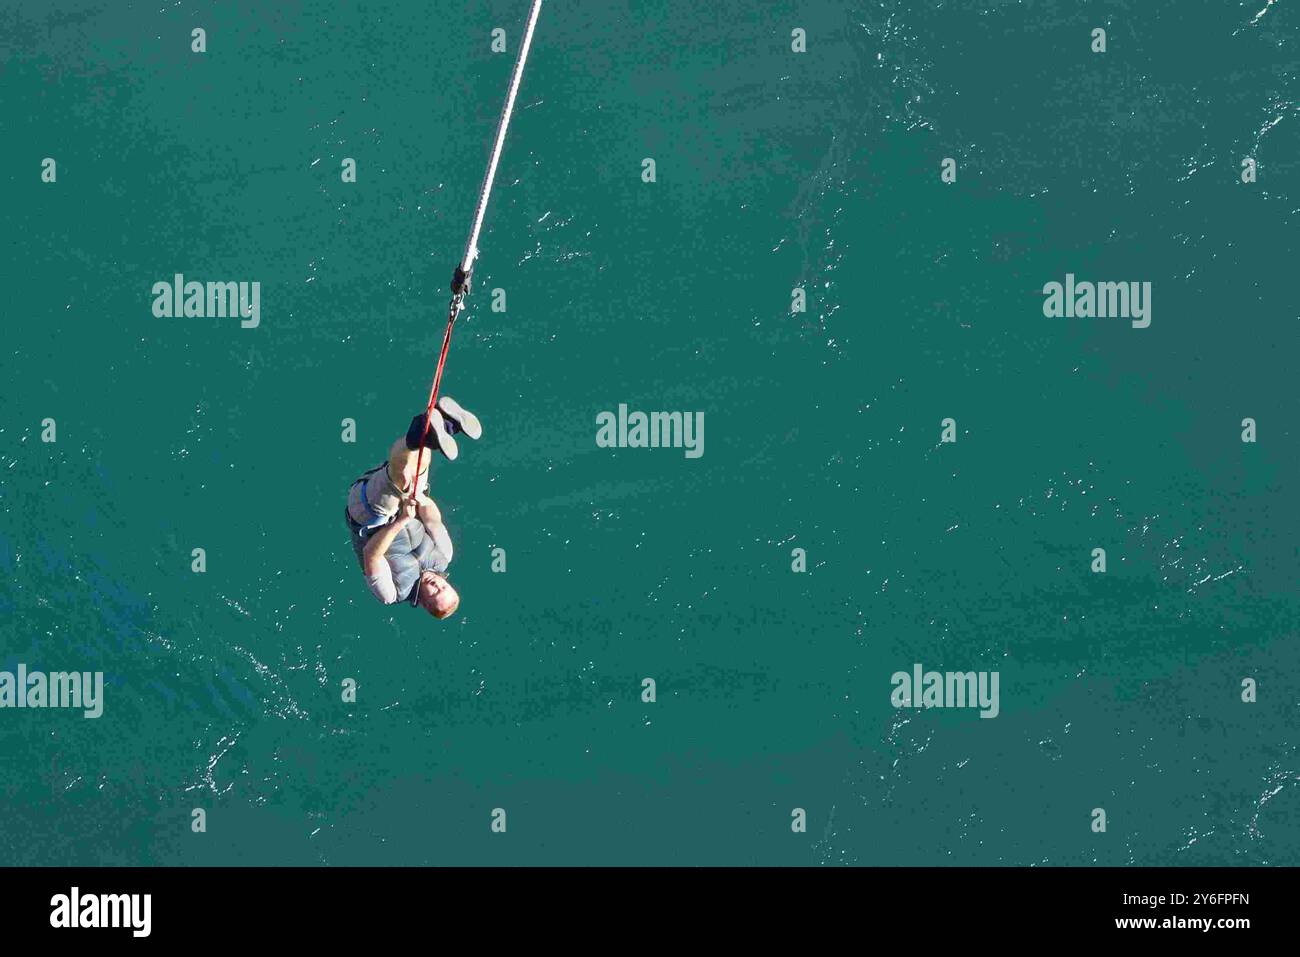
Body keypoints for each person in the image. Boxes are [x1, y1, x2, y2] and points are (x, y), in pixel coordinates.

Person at [343, 396, 481, 618]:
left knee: (399, 479)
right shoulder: (444, 556)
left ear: (425, 604)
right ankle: (445, 425)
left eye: (435, 592)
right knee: (418, 470)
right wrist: (421, 500)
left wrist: (402, 520)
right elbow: (433, 520)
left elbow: (371, 555)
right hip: (410, 504)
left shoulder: (392, 593)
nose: (437, 584)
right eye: (444, 586)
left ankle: (429, 427)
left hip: (370, 517)